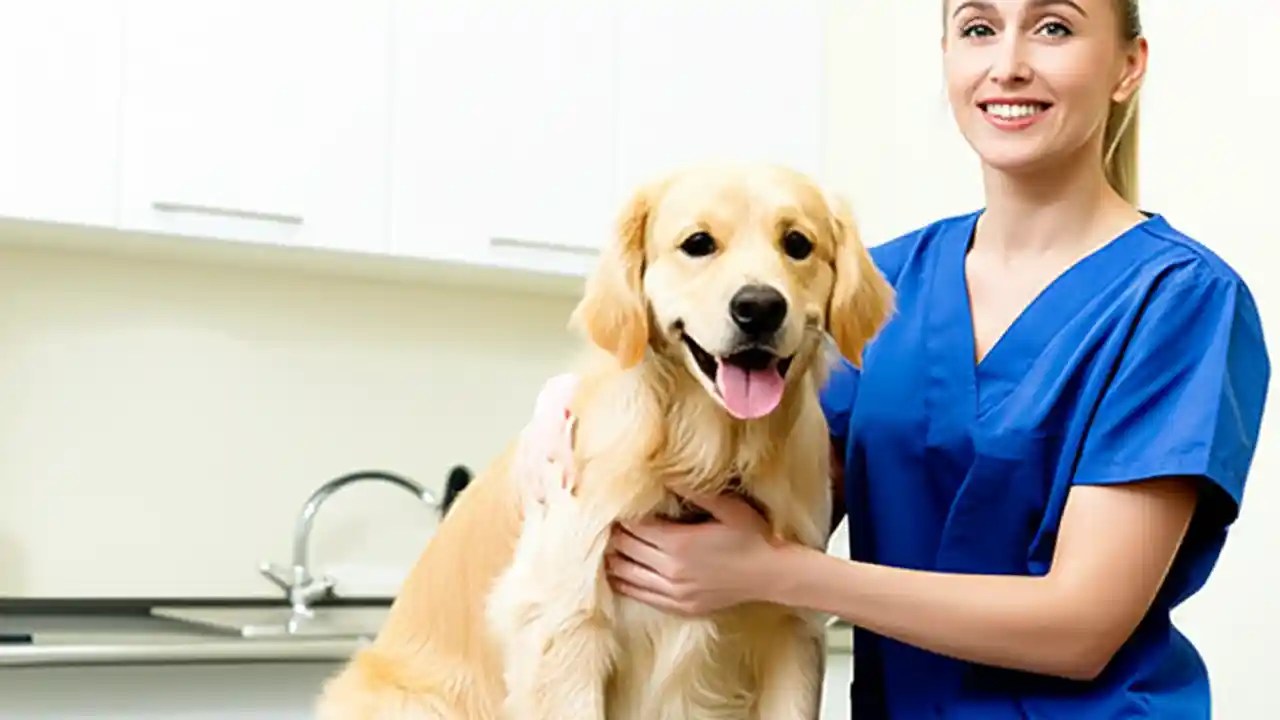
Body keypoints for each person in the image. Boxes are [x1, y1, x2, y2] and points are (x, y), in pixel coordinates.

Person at [511, 0, 1271, 716]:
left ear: (1127, 66)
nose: (1007, 63)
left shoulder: (1180, 300)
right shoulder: (877, 283)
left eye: (1052, 28)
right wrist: (579, 395)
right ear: (947, 56)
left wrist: (785, 575)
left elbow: (1080, 627)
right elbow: (748, 478)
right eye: (977, 28)